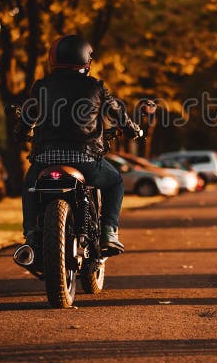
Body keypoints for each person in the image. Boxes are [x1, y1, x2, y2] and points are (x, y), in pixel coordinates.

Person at [16, 35, 141, 260]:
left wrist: (21, 133)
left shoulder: (41, 87)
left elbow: (28, 117)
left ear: (53, 59)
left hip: (45, 159)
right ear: (86, 60)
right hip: (85, 159)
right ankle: (108, 232)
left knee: (29, 187)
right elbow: (117, 113)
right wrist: (133, 130)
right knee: (115, 182)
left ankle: (32, 237)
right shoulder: (95, 86)